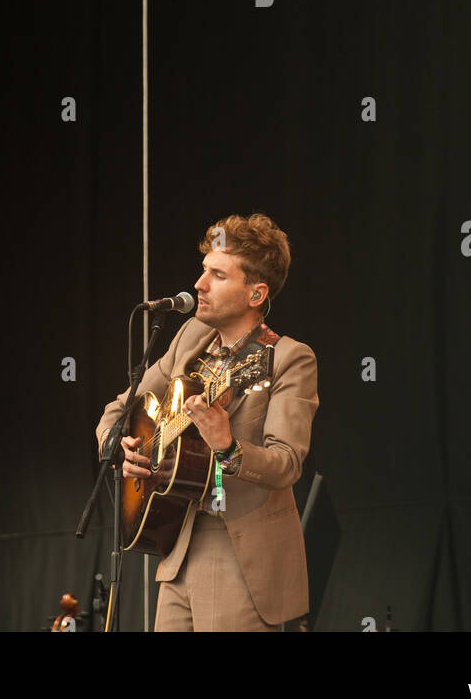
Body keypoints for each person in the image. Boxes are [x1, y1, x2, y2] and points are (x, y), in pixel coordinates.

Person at [95, 212, 319, 632]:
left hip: (240, 557)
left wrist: (229, 447)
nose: (199, 284)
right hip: (178, 545)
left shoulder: (287, 358)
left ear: (256, 294)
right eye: (203, 271)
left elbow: (287, 463)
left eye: (217, 275)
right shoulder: (190, 336)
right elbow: (119, 409)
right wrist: (119, 444)